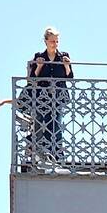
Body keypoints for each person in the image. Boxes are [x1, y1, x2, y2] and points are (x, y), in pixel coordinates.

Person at [26, 26, 73, 165]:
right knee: (43, 123)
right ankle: (43, 153)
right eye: (52, 41)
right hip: (42, 97)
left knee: (56, 124)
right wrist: (39, 67)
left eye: (57, 41)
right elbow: (32, 79)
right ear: (46, 41)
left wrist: (67, 66)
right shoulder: (39, 57)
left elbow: (70, 77)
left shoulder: (63, 56)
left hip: (58, 96)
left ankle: (58, 156)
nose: (55, 44)